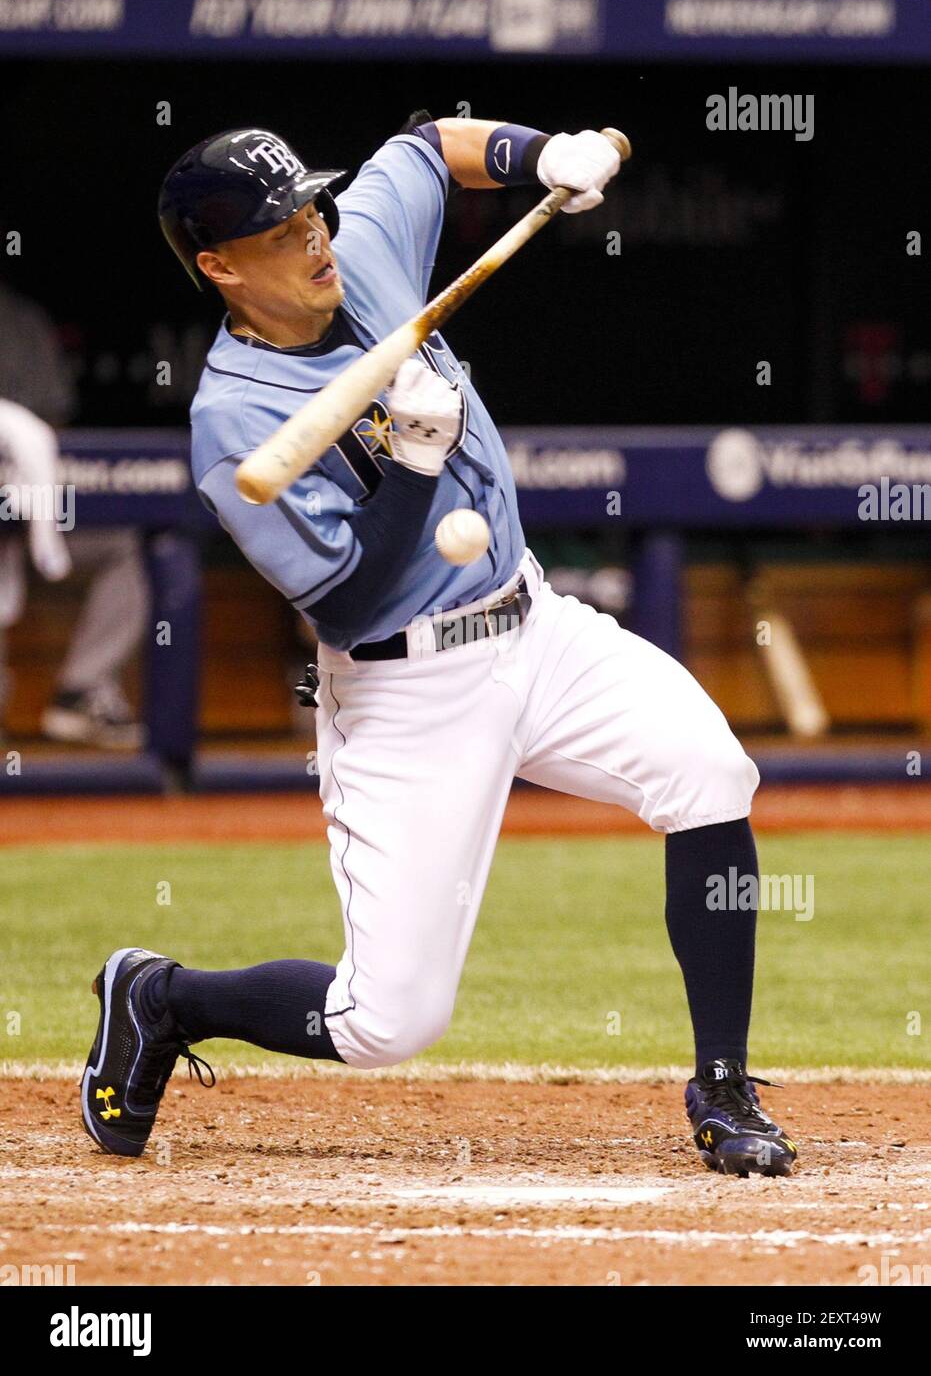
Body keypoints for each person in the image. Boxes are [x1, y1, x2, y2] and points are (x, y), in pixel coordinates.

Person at [81, 118, 797, 1178]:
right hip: (404, 688)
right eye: (281, 230)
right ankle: (163, 995)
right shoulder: (233, 421)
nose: (313, 234)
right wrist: (414, 461)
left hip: (533, 623)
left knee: (706, 766)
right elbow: (353, 597)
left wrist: (540, 157)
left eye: (310, 209)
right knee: (388, 1020)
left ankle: (725, 1084)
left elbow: (426, 147)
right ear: (221, 266)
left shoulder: (357, 254)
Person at [0, 281, 148, 749]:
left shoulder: (18, 318)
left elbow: (54, 419)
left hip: (26, 501)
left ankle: (81, 692)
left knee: (127, 547)